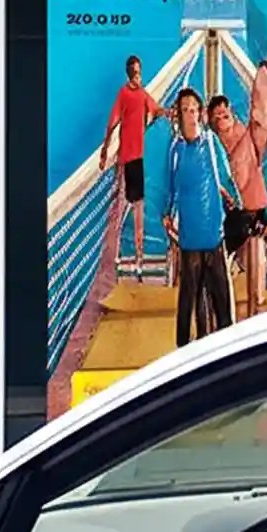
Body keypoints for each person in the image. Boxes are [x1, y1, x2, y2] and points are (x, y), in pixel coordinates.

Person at [163, 88, 233, 348]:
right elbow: (168, 187)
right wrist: (166, 215)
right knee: (188, 302)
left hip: (214, 236)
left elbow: (224, 176)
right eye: (185, 110)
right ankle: (182, 355)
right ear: (178, 117)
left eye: (194, 110)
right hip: (190, 239)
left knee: (222, 305)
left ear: (201, 114)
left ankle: (227, 355)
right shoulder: (175, 151)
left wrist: (228, 196)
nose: (190, 115)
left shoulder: (213, 144)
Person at [207, 95, 267, 319]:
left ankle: (255, 303)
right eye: (217, 115)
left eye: (225, 113)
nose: (222, 117)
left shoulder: (246, 136)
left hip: (248, 208)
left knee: (250, 253)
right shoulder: (212, 146)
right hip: (230, 211)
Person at [100, 55, 169, 282]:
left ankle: (138, 261)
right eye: (135, 72)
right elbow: (112, 124)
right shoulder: (125, 94)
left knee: (137, 210)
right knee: (120, 210)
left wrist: (168, 113)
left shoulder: (141, 94)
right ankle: (115, 260)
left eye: (139, 72)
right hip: (125, 161)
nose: (137, 76)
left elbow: (157, 109)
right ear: (130, 73)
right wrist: (104, 152)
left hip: (136, 160)